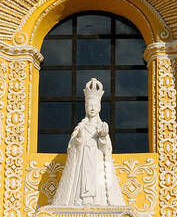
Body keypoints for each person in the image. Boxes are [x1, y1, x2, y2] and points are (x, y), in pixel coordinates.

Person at [52, 77, 126, 206]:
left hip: (96, 158)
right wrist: (79, 139)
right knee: (84, 178)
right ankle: (82, 199)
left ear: (99, 108)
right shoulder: (81, 126)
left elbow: (107, 149)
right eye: (89, 105)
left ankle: (97, 200)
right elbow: (72, 147)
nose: (92, 108)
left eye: (95, 106)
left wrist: (103, 137)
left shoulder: (102, 126)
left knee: (96, 179)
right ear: (86, 107)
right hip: (83, 158)